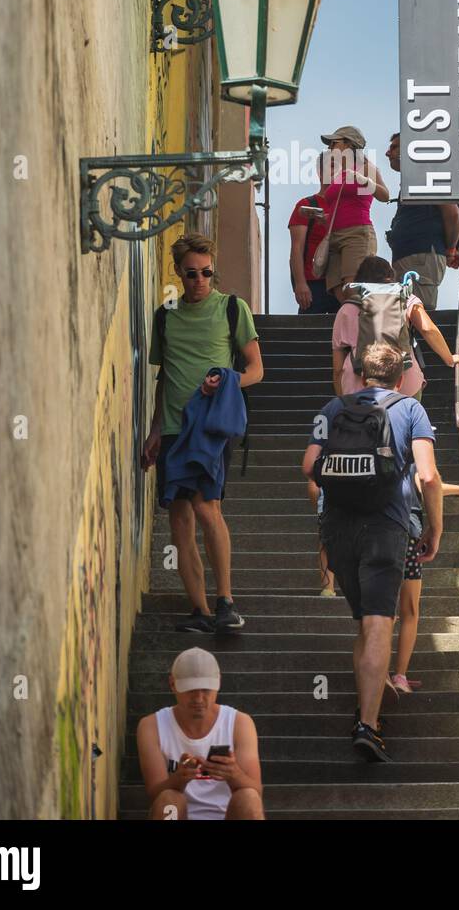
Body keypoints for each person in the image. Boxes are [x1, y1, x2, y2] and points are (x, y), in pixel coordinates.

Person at [302, 342, 443, 762]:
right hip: (387, 528)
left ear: (361, 376)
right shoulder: (411, 410)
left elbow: (308, 466)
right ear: (400, 379)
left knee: (364, 622)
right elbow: (429, 475)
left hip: (339, 529)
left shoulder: (332, 408)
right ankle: (367, 723)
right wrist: (434, 528)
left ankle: (368, 710)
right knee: (381, 623)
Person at [142, 234, 264, 633]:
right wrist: (154, 430)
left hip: (211, 426)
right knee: (178, 517)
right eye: (191, 273)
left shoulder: (231, 308)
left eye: (206, 272)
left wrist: (226, 381)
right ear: (178, 272)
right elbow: (165, 378)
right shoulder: (165, 316)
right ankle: (200, 611)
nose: (199, 280)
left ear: (214, 269)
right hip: (175, 428)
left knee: (206, 506)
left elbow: (255, 370)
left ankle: (226, 601)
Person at [136, 648, 264, 821]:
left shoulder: (240, 723)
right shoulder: (151, 726)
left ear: (218, 683)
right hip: (179, 814)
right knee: (169, 800)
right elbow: (154, 795)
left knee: (249, 798)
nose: (199, 698)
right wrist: (179, 779)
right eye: (190, 690)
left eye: (206, 689)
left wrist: (234, 774)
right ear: (172, 684)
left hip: (227, 815)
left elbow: (256, 790)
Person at [331, 255, 459, 400]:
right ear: (390, 275)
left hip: (358, 386)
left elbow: (337, 369)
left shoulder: (347, 309)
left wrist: (342, 400)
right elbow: (428, 329)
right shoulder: (405, 298)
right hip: (404, 381)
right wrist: (449, 359)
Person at [391, 473, 459, 694]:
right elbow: (428, 483)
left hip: (373, 534)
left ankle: (376, 674)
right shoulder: (410, 449)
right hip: (407, 534)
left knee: (380, 611)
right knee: (409, 611)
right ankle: (399, 676)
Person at [385, 132, 459, 310]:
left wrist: (451, 248)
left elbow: (452, 213)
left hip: (421, 258)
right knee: (409, 315)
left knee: (419, 314)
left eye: (394, 147)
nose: (388, 153)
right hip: (412, 258)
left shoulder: (425, 175)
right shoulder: (416, 178)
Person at [318, 125, 389, 302]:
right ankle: (351, 327)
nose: (330, 148)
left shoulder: (365, 168)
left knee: (353, 291)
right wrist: (323, 217)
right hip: (334, 236)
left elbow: (384, 195)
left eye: (334, 143)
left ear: (349, 145)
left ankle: (360, 328)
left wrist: (364, 180)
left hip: (356, 233)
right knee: (340, 293)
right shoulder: (337, 174)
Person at [287, 158, 340, 314]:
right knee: (309, 333)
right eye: (331, 166)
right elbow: (296, 249)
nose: (336, 171)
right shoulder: (307, 205)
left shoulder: (347, 207)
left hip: (340, 282)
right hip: (315, 283)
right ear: (319, 172)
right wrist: (300, 284)